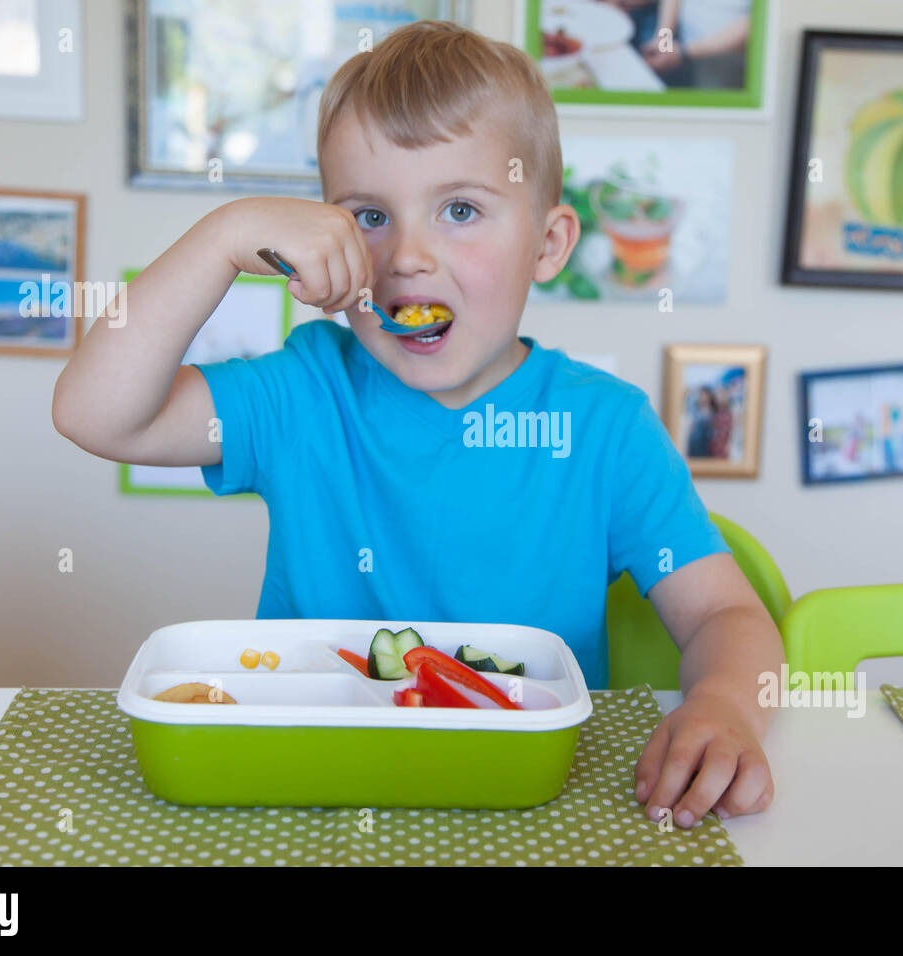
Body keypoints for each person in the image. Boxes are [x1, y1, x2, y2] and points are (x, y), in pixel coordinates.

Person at [52, 20, 781, 826]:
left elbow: (726, 616)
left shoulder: (605, 430)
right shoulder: (306, 391)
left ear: (548, 243)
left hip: (524, 806)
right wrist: (222, 237)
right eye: (367, 216)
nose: (406, 255)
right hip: (306, 796)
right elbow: (96, 414)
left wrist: (725, 706)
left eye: (461, 209)